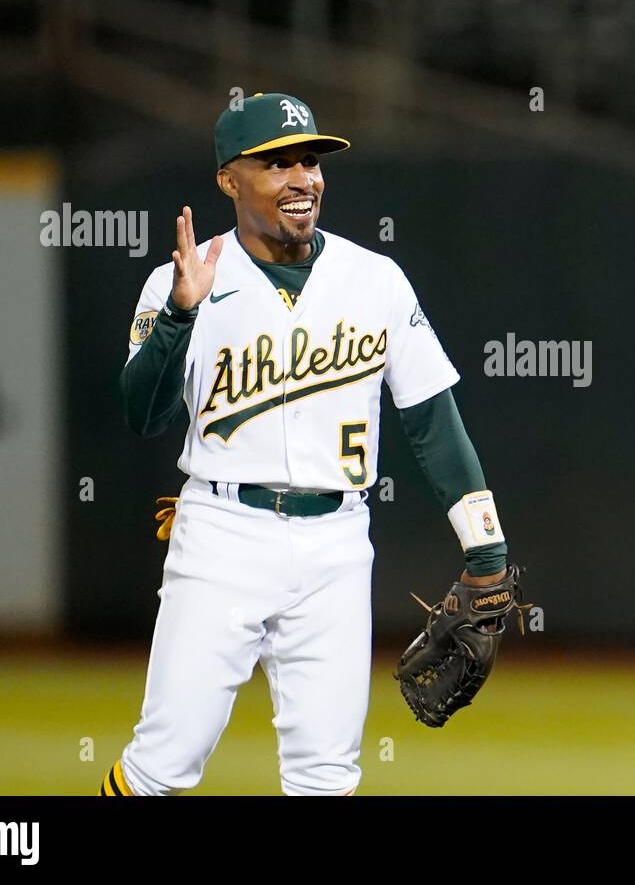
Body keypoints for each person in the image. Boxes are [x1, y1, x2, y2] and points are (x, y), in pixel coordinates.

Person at [98, 92, 517, 796]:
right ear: (229, 179)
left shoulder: (373, 278)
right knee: (163, 763)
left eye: (311, 162)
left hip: (338, 544)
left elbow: (434, 422)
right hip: (223, 536)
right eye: (277, 164)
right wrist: (178, 316)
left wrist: (488, 548)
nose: (304, 179)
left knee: (326, 774)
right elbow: (142, 413)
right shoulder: (184, 278)